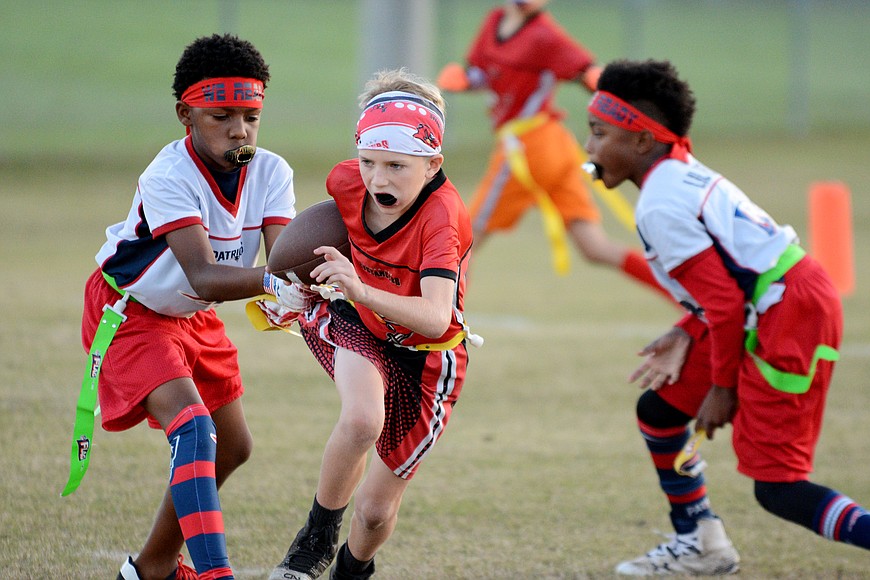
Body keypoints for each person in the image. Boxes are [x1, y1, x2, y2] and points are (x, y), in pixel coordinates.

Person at [583, 58, 870, 576]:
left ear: (643, 141)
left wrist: (722, 387)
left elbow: (727, 302)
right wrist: (684, 329)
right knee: (660, 412)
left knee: (779, 489)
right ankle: (700, 541)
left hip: (788, 313)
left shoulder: (660, 205)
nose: (589, 147)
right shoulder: (676, 174)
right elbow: (729, 284)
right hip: (765, 302)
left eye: (600, 133)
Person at [75, 33, 311, 580]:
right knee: (194, 430)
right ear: (185, 113)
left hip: (191, 316)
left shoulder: (272, 171)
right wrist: (279, 285)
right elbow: (205, 277)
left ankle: (151, 568)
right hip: (129, 312)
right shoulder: (168, 176)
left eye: (251, 115)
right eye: (220, 115)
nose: (239, 129)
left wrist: (311, 293)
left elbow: (282, 260)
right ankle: (213, 574)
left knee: (233, 446)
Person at [268, 69, 476, 580]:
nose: (378, 179)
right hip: (359, 323)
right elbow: (293, 249)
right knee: (362, 419)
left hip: (427, 356)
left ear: (433, 164)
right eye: (368, 161)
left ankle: (352, 570)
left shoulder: (442, 216)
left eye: (397, 167)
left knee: (376, 512)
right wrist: (290, 285)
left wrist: (362, 289)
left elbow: (435, 317)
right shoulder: (345, 182)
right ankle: (313, 542)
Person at [436, 0, 670, 301]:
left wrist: (628, 97)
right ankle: (686, 294)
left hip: (527, 148)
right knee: (594, 247)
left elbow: (587, 72)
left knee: (462, 238)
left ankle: (440, 324)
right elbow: (485, 75)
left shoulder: (544, 35)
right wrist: (465, 81)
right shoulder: (495, 21)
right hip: (552, 145)